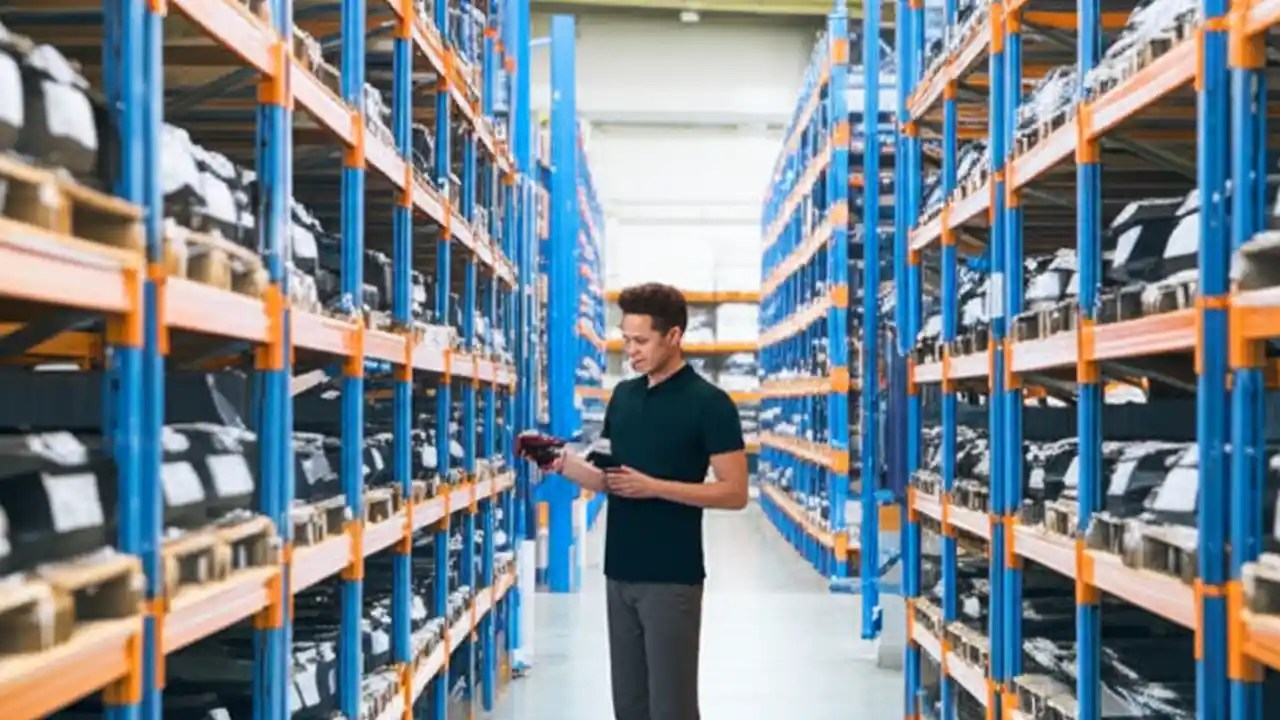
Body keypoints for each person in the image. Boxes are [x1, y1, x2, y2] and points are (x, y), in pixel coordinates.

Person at [535, 282, 749, 720]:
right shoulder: (624, 397)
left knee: (671, 707)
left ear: (674, 336)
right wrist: (558, 461)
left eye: (641, 341)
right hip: (620, 572)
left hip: (671, 577)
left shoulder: (710, 404)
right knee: (629, 706)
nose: (630, 350)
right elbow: (608, 479)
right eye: (626, 339)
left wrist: (656, 487)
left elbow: (735, 492)